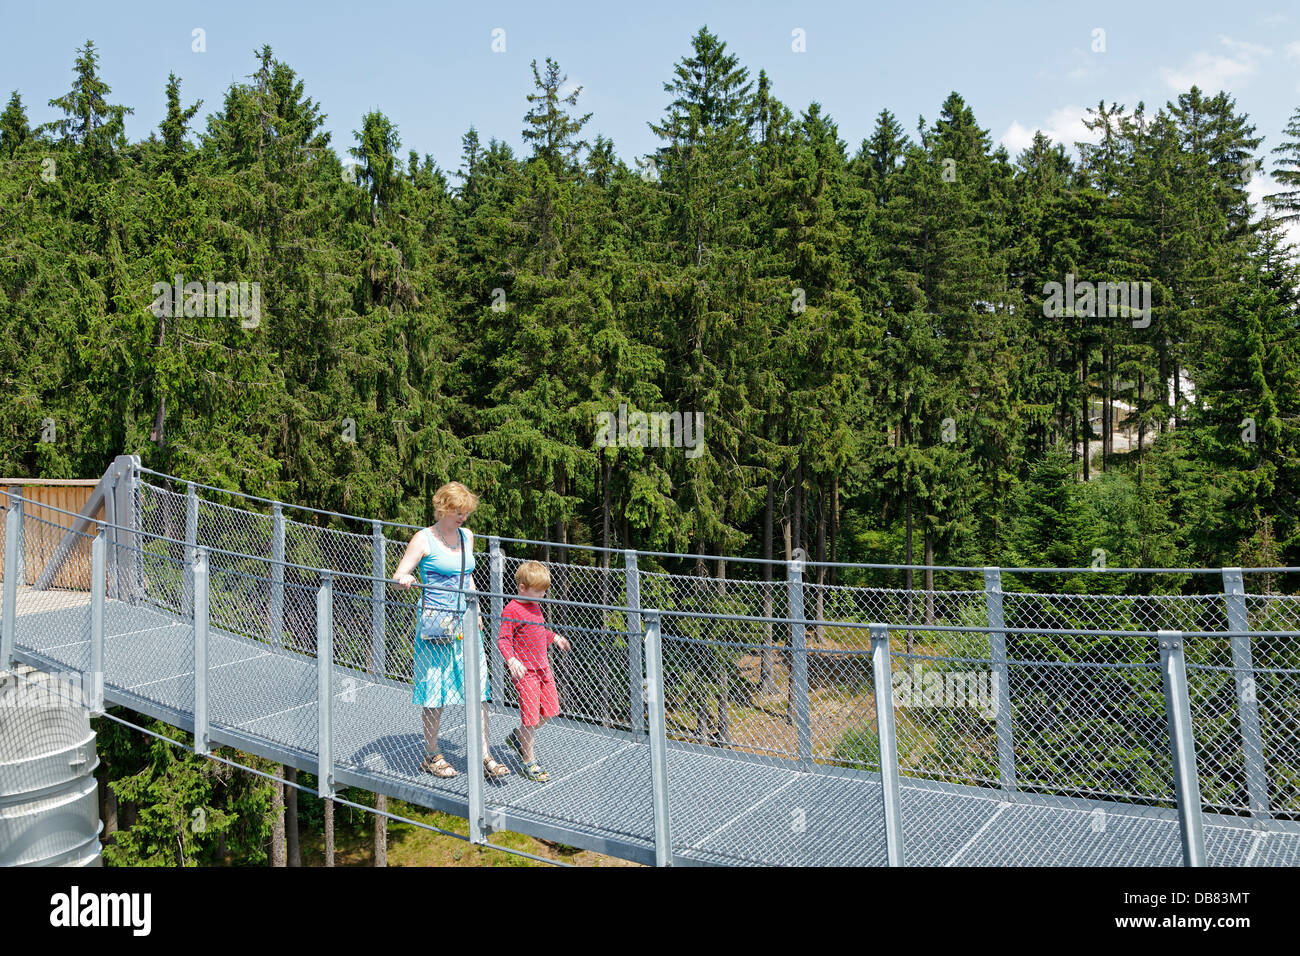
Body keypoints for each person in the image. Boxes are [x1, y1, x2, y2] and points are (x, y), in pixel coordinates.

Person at [392, 481, 509, 779]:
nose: (464, 517)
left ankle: (485, 755)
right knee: (435, 690)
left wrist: (479, 610)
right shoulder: (423, 539)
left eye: (466, 512)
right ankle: (431, 755)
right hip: (435, 623)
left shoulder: (466, 536)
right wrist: (405, 580)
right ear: (443, 507)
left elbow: (467, 577)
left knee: (479, 688)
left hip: (466, 621)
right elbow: (399, 575)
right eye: (459, 511)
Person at [497, 561, 569, 781]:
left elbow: (538, 632)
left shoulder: (535, 605)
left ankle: (519, 737)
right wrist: (511, 660)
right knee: (530, 718)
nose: (543, 595)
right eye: (539, 591)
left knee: (550, 710)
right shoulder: (512, 609)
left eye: (545, 591)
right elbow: (503, 639)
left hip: (543, 667)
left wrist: (554, 637)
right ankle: (528, 761)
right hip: (525, 672)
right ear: (522, 588)